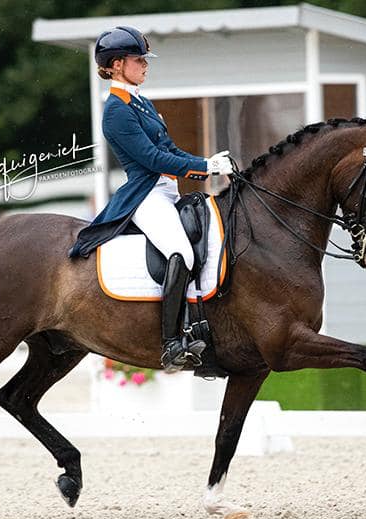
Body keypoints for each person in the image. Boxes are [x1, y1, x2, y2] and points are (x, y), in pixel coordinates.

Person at [67, 26, 234, 373]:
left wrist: (208, 165)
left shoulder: (142, 102)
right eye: (137, 59)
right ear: (115, 65)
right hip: (145, 195)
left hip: (169, 193)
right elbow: (153, 160)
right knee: (180, 251)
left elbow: (169, 150)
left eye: (144, 59)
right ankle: (172, 344)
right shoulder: (116, 110)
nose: (145, 65)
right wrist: (206, 166)